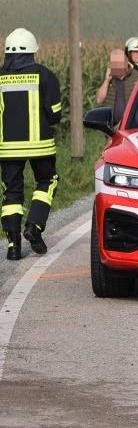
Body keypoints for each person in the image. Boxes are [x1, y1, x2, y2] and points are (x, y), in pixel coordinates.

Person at [0, 28, 62, 259]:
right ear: (32, 52)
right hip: (41, 146)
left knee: (12, 193)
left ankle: (13, 246)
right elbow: (55, 114)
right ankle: (34, 226)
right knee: (48, 180)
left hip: (7, 148)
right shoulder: (44, 75)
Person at [95, 36, 138, 122]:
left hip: (132, 123)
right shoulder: (109, 77)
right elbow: (98, 100)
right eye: (135, 51)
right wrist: (107, 80)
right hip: (111, 126)